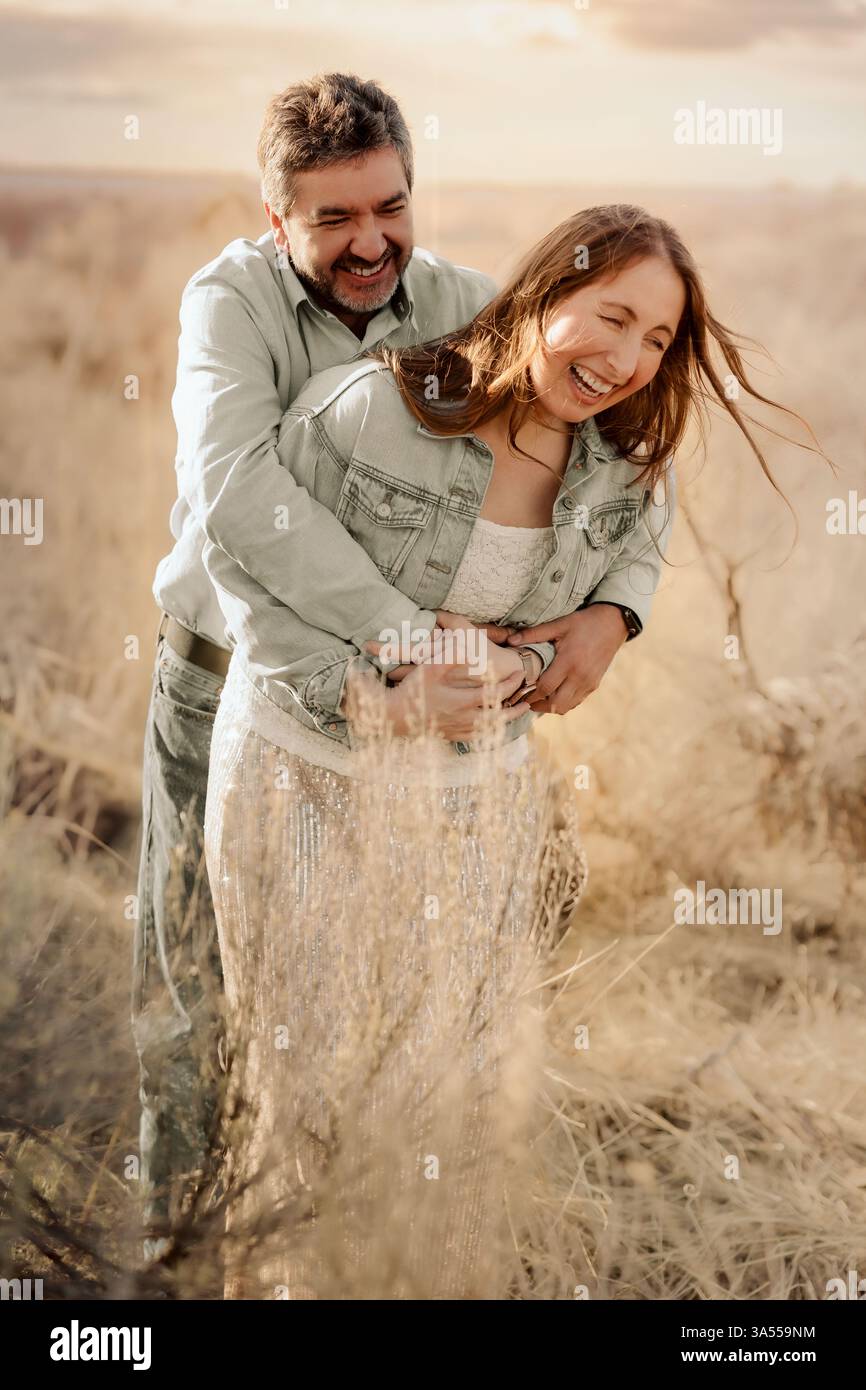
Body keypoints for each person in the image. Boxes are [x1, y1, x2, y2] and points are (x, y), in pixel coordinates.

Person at [203, 199, 812, 1297]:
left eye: (657, 339)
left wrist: (610, 620)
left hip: (475, 803)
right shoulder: (373, 406)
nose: (625, 359)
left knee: (455, 1090)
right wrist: (366, 690)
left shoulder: (622, 459)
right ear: (543, 291)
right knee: (301, 1085)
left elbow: (641, 531)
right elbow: (243, 559)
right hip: (302, 771)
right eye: (608, 316)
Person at [132, 74, 631, 1263]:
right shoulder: (229, 304)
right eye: (332, 219)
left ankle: (365, 1254)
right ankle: (177, 1264)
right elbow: (235, 496)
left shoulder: (463, 303)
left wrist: (615, 610)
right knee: (191, 990)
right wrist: (408, 633)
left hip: (417, 727)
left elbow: (614, 453)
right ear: (275, 220)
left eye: (389, 207)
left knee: (396, 1009)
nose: (371, 243)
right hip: (227, 680)